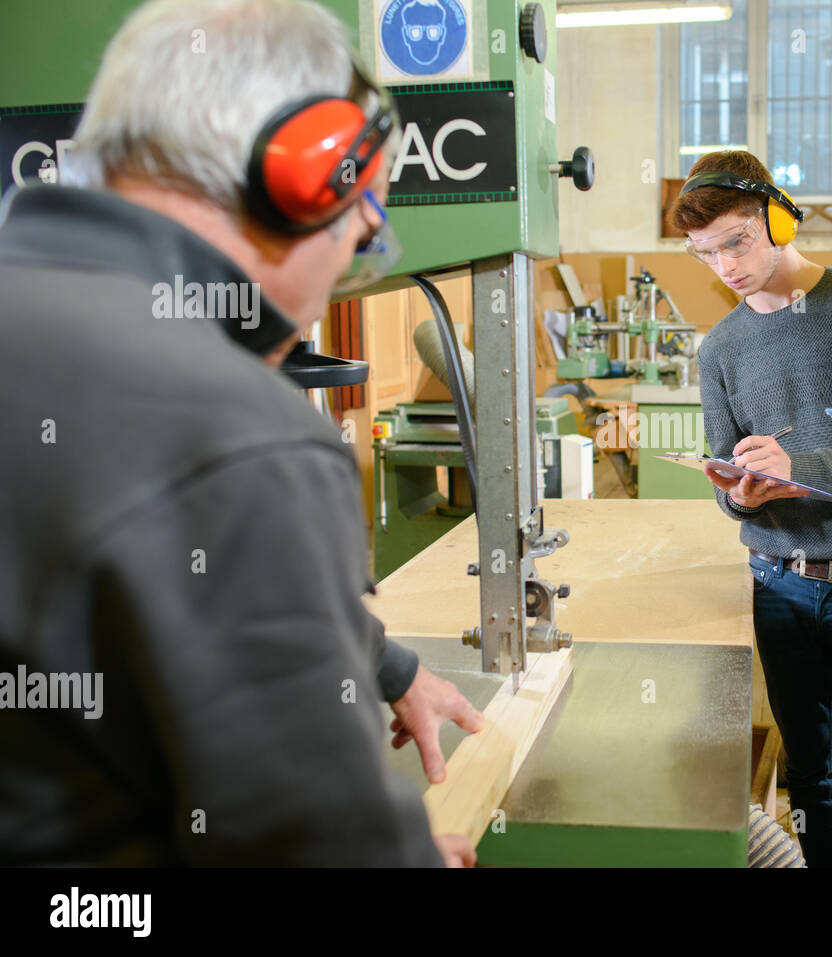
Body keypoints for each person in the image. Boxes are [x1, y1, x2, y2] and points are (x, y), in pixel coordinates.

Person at [0, 0, 484, 866]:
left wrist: (388, 665)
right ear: (311, 178)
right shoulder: (236, 431)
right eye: (360, 237)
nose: (340, 277)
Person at [671, 151, 832, 867]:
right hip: (778, 584)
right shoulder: (719, 348)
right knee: (810, 780)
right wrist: (737, 492)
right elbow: (729, 475)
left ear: (778, 217)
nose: (724, 265)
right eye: (704, 252)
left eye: (736, 241)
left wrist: (800, 467)